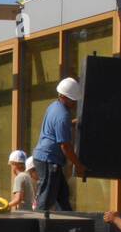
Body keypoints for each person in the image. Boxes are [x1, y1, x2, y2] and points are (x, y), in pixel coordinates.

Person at [32, 77, 87, 211]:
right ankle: (37, 228)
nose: (74, 102)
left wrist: (74, 122)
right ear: (63, 96)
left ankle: (68, 224)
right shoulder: (62, 115)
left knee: (62, 195)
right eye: (72, 99)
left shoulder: (53, 106)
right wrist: (78, 165)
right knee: (46, 199)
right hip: (49, 160)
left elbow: (57, 126)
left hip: (47, 159)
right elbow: (65, 146)